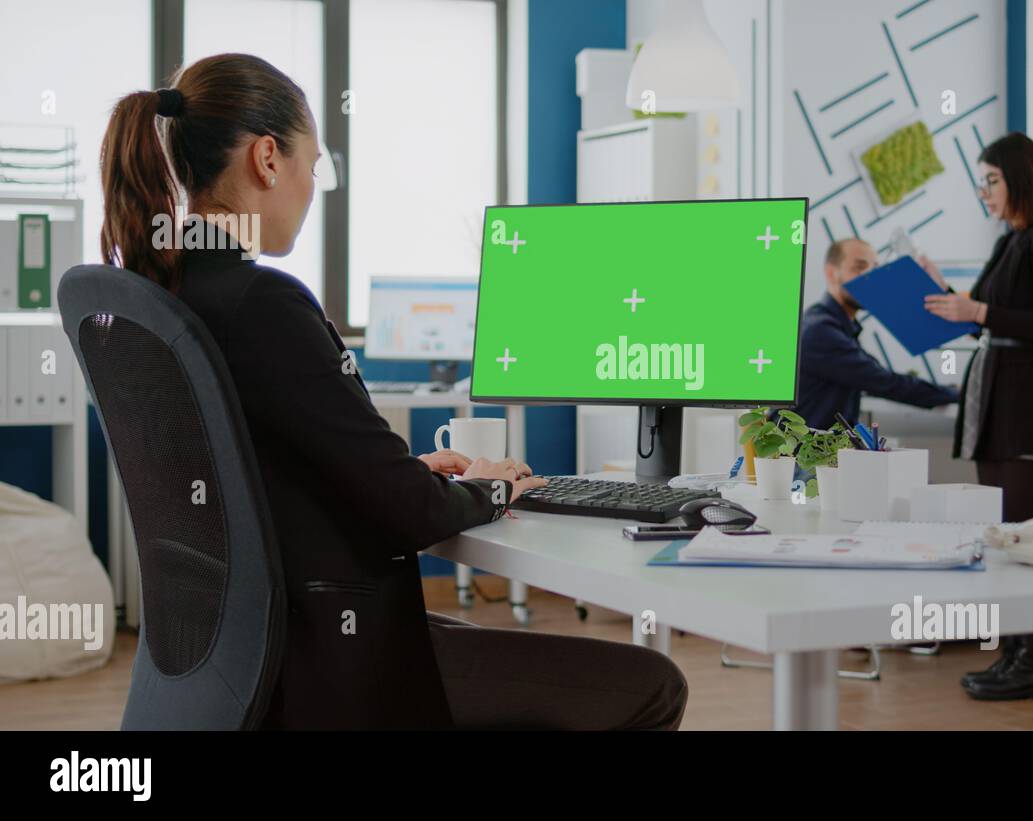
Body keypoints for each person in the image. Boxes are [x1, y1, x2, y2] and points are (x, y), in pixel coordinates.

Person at [98, 53, 688, 729]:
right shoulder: (264, 304)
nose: (313, 188)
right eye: (312, 166)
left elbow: (266, 482)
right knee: (654, 683)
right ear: (267, 158)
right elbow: (409, 515)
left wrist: (403, 474)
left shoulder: (167, 293)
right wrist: (492, 483)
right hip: (327, 665)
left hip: (244, 657)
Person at [923, 132, 1033, 701]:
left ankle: (1032, 662)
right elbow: (981, 316)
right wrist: (942, 292)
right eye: (981, 181)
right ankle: (1013, 654)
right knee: (1001, 531)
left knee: (1023, 531)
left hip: (1025, 395)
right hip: (996, 395)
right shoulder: (1010, 240)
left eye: (991, 180)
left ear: (1019, 178)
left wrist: (977, 308)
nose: (983, 191)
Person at [794, 237, 959, 431]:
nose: (869, 277)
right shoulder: (821, 330)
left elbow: (872, 374)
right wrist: (954, 392)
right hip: (800, 456)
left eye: (874, 269)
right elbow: (882, 381)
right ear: (832, 273)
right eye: (859, 267)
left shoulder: (837, 325)